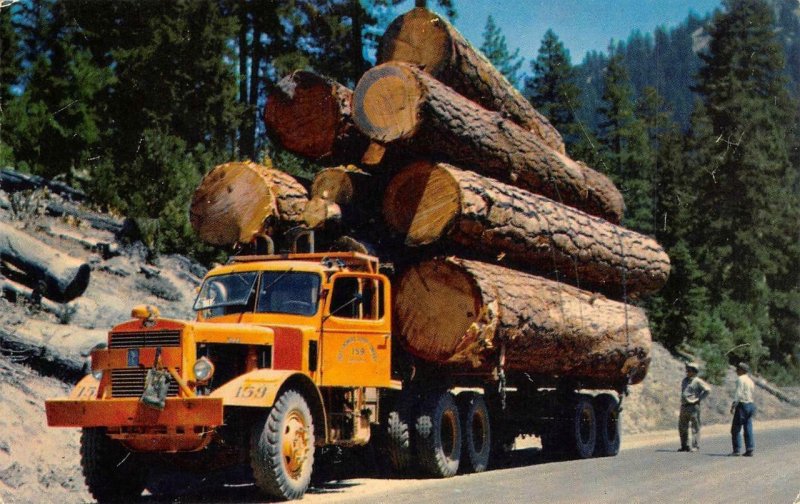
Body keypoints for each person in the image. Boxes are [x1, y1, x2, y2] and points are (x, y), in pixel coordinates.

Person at [678, 362, 711, 452]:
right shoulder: (684, 380)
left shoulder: (697, 381)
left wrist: (699, 399)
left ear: (694, 371)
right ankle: (684, 446)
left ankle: (695, 446)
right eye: (687, 370)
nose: (687, 372)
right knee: (682, 427)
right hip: (684, 406)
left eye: (689, 370)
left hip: (693, 406)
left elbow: (707, 390)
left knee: (695, 427)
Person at [730, 362, 756, 457]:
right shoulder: (750, 380)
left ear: (742, 370)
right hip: (750, 404)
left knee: (735, 429)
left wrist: (734, 405)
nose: (736, 371)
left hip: (742, 404)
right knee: (748, 427)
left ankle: (737, 450)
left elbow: (738, 393)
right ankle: (750, 449)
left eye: (738, 369)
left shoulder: (740, 379)